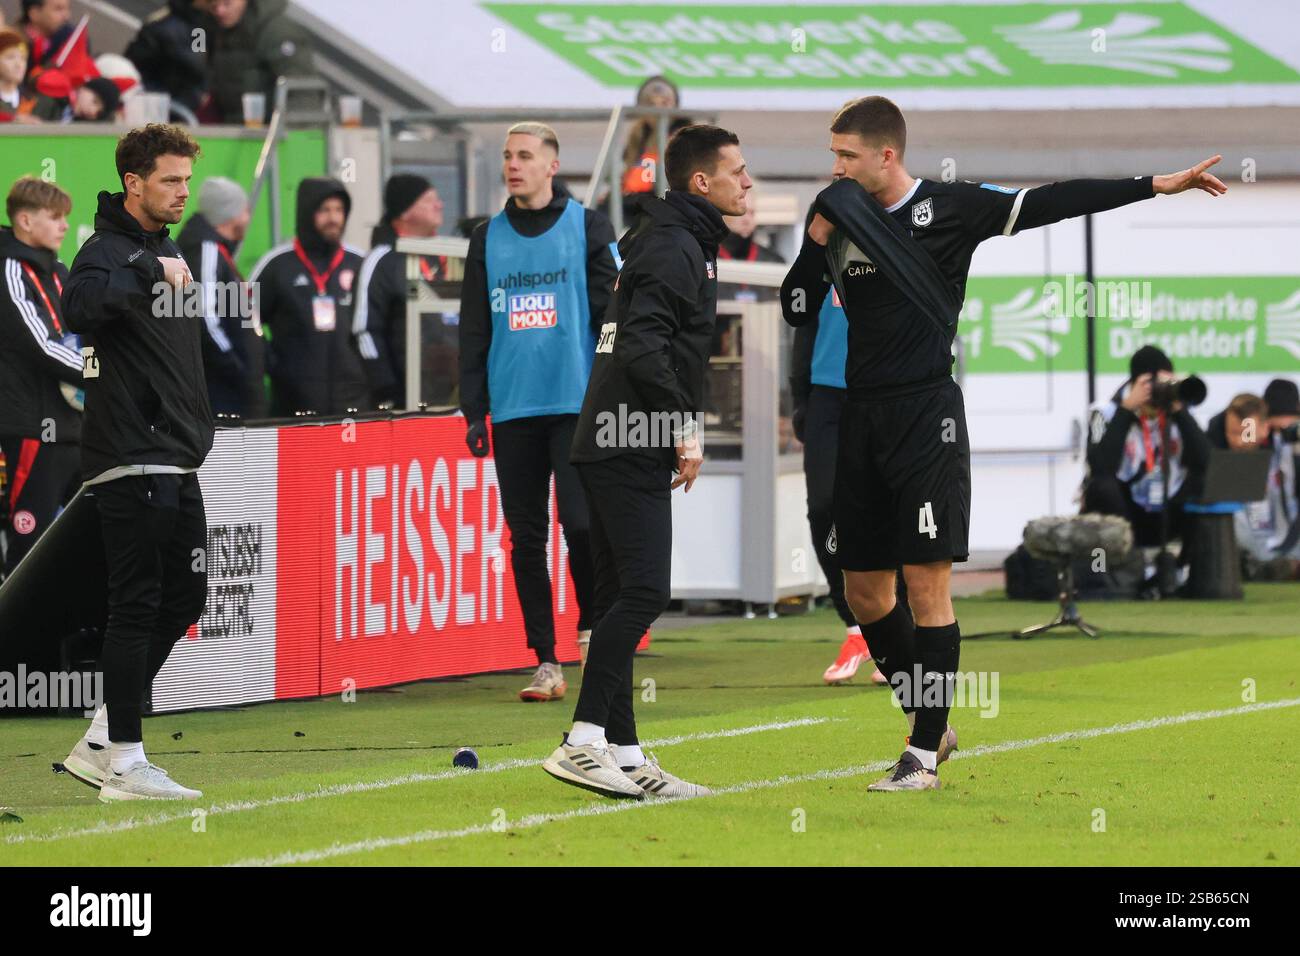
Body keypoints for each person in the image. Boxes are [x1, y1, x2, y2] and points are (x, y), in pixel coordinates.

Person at [780, 95, 1226, 791]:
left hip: (926, 417)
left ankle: (921, 754)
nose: (834, 166)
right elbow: (797, 306)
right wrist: (814, 241)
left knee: (927, 584)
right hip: (860, 417)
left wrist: (1153, 184)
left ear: (886, 154)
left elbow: (1053, 200)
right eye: (832, 155)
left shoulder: (953, 207)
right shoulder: (841, 213)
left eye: (845, 155)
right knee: (864, 592)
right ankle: (930, 715)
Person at [543, 124, 750, 800]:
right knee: (643, 595)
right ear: (701, 182)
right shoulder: (674, 244)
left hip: (617, 436)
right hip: (625, 437)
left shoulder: (671, 237)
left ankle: (625, 753)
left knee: (615, 600)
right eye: (737, 172)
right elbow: (641, 348)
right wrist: (684, 429)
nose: (747, 183)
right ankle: (581, 742)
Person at [60, 123, 213, 801]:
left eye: (187, 179)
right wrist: (151, 269)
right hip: (131, 453)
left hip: (173, 457)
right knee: (137, 602)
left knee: (187, 594)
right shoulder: (106, 249)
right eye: (170, 180)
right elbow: (79, 306)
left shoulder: (161, 246)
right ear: (134, 183)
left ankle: (103, 734)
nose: (183, 191)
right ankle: (123, 759)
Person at [459, 123, 618, 700]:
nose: (513, 165)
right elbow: (475, 324)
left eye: (525, 156)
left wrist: (611, 393)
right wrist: (473, 407)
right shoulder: (488, 238)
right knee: (525, 538)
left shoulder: (588, 227)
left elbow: (612, 318)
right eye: (507, 156)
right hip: (514, 407)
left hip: (574, 404)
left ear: (552, 165)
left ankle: (594, 628)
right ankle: (545, 661)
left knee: (580, 525)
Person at [787, 220, 887, 686]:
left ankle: (891, 628)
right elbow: (802, 326)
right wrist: (800, 398)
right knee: (822, 508)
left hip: (884, 394)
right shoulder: (821, 259)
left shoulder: (896, 244)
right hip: (827, 396)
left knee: (889, 512)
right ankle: (855, 628)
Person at [0, 177, 80, 580]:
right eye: (55, 218)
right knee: (29, 545)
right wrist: (100, 372)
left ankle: (70, 637)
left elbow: (83, 331)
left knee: (78, 541)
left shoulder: (60, 271)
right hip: (32, 428)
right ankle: (16, 639)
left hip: (75, 428)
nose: (65, 226)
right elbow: (43, 345)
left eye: (65, 218)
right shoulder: (10, 270)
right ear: (26, 221)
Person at [248, 177, 368, 416]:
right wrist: (274, 364)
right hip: (293, 403)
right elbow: (244, 318)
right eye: (324, 210)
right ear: (306, 213)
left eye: (339, 210)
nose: (333, 218)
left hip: (354, 402)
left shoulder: (360, 263)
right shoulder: (276, 264)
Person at [1083, 346, 1213, 562]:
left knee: (1205, 481)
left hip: (1167, 508)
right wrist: (1126, 411)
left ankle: (1184, 569)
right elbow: (1100, 466)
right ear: (1135, 383)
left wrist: (1179, 412)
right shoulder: (1105, 412)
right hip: (1125, 511)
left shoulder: (1178, 411)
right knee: (1101, 486)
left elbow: (1207, 462)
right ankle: (1120, 568)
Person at [353, 173, 450, 408]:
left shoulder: (445, 255)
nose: (439, 205)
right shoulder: (382, 260)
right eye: (429, 200)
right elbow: (364, 329)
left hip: (449, 394)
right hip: (402, 400)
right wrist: (386, 388)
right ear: (405, 212)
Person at [177, 175, 266, 418]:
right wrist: (237, 367)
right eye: (245, 211)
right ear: (231, 215)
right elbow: (203, 316)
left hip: (232, 388)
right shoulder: (206, 250)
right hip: (222, 393)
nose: (248, 218)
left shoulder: (217, 251)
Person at [206, 0, 313, 125]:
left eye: (227, 3)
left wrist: (293, 138)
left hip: (272, 135)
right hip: (233, 134)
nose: (220, 11)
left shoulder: (276, 32)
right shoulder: (214, 31)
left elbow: (303, 94)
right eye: (213, 6)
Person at [620, 75, 690, 219]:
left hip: (660, 207)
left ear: (674, 105)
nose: (658, 109)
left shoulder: (684, 137)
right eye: (651, 104)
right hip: (632, 204)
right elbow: (625, 174)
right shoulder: (637, 135)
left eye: (664, 103)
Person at [124, 0, 211, 114]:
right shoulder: (163, 27)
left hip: (190, 105)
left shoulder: (203, 24)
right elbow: (137, 68)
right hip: (165, 106)